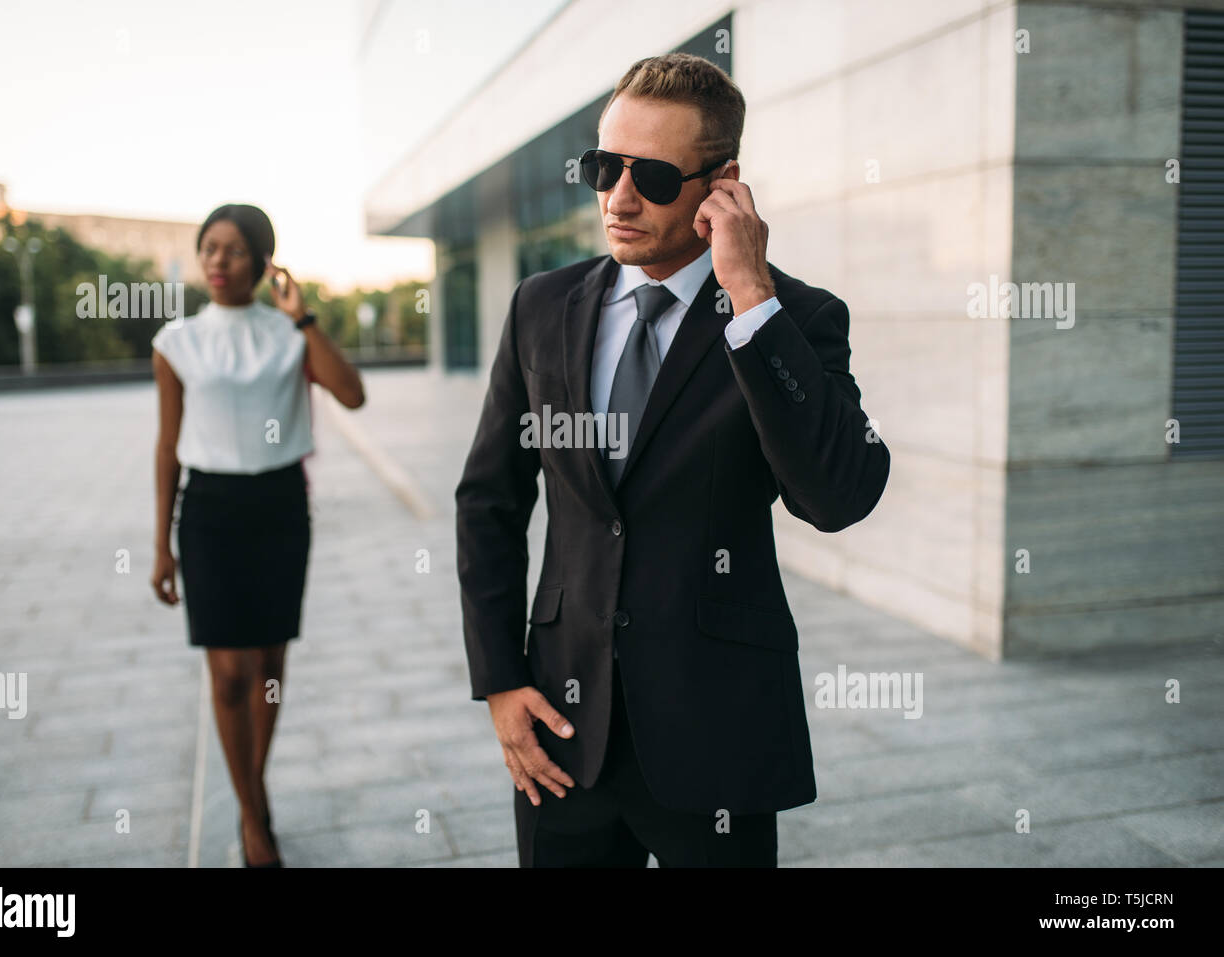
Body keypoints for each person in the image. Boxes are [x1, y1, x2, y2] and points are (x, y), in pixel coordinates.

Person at [455, 53, 891, 867]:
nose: (618, 198)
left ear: (722, 183)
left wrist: (752, 299)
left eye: (651, 175)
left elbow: (838, 493)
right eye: (602, 167)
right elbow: (489, 500)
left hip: (717, 729)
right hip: (561, 727)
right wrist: (500, 681)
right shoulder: (541, 307)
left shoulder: (793, 317)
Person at [149, 204, 364, 867]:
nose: (217, 260)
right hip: (210, 511)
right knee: (231, 671)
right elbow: (167, 444)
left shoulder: (290, 334)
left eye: (234, 249)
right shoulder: (176, 341)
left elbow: (351, 393)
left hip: (278, 509)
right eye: (208, 247)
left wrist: (303, 315)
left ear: (264, 262)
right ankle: (252, 816)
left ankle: (252, 790)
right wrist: (161, 542)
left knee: (269, 666)